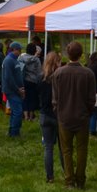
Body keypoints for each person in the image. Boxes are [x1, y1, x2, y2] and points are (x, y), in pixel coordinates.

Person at [51, 41, 97, 189]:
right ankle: (80, 180)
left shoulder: (59, 73)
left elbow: (55, 98)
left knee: (66, 150)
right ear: (81, 54)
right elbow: (92, 99)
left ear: (67, 54)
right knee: (82, 149)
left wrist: (59, 111)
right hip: (82, 116)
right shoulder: (88, 73)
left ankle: (69, 180)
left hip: (64, 116)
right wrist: (88, 112)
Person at [38, 51, 63, 183]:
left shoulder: (41, 78)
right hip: (58, 115)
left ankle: (50, 176)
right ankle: (67, 174)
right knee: (63, 147)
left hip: (45, 114)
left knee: (48, 147)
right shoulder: (60, 78)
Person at [3, 41, 25, 137]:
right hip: (12, 91)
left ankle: (12, 131)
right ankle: (15, 133)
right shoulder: (8, 60)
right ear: (14, 50)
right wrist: (18, 90)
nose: (20, 52)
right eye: (19, 50)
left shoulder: (15, 60)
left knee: (15, 111)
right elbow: (8, 78)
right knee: (18, 111)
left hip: (17, 90)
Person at [20, 43, 43, 122]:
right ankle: (31, 116)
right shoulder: (36, 59)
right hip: (33, 81)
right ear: (34, 50)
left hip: (24, 80)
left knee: (25, 98)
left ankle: (25, 116)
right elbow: (39, 72)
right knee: (32, 98)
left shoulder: (22, 57)